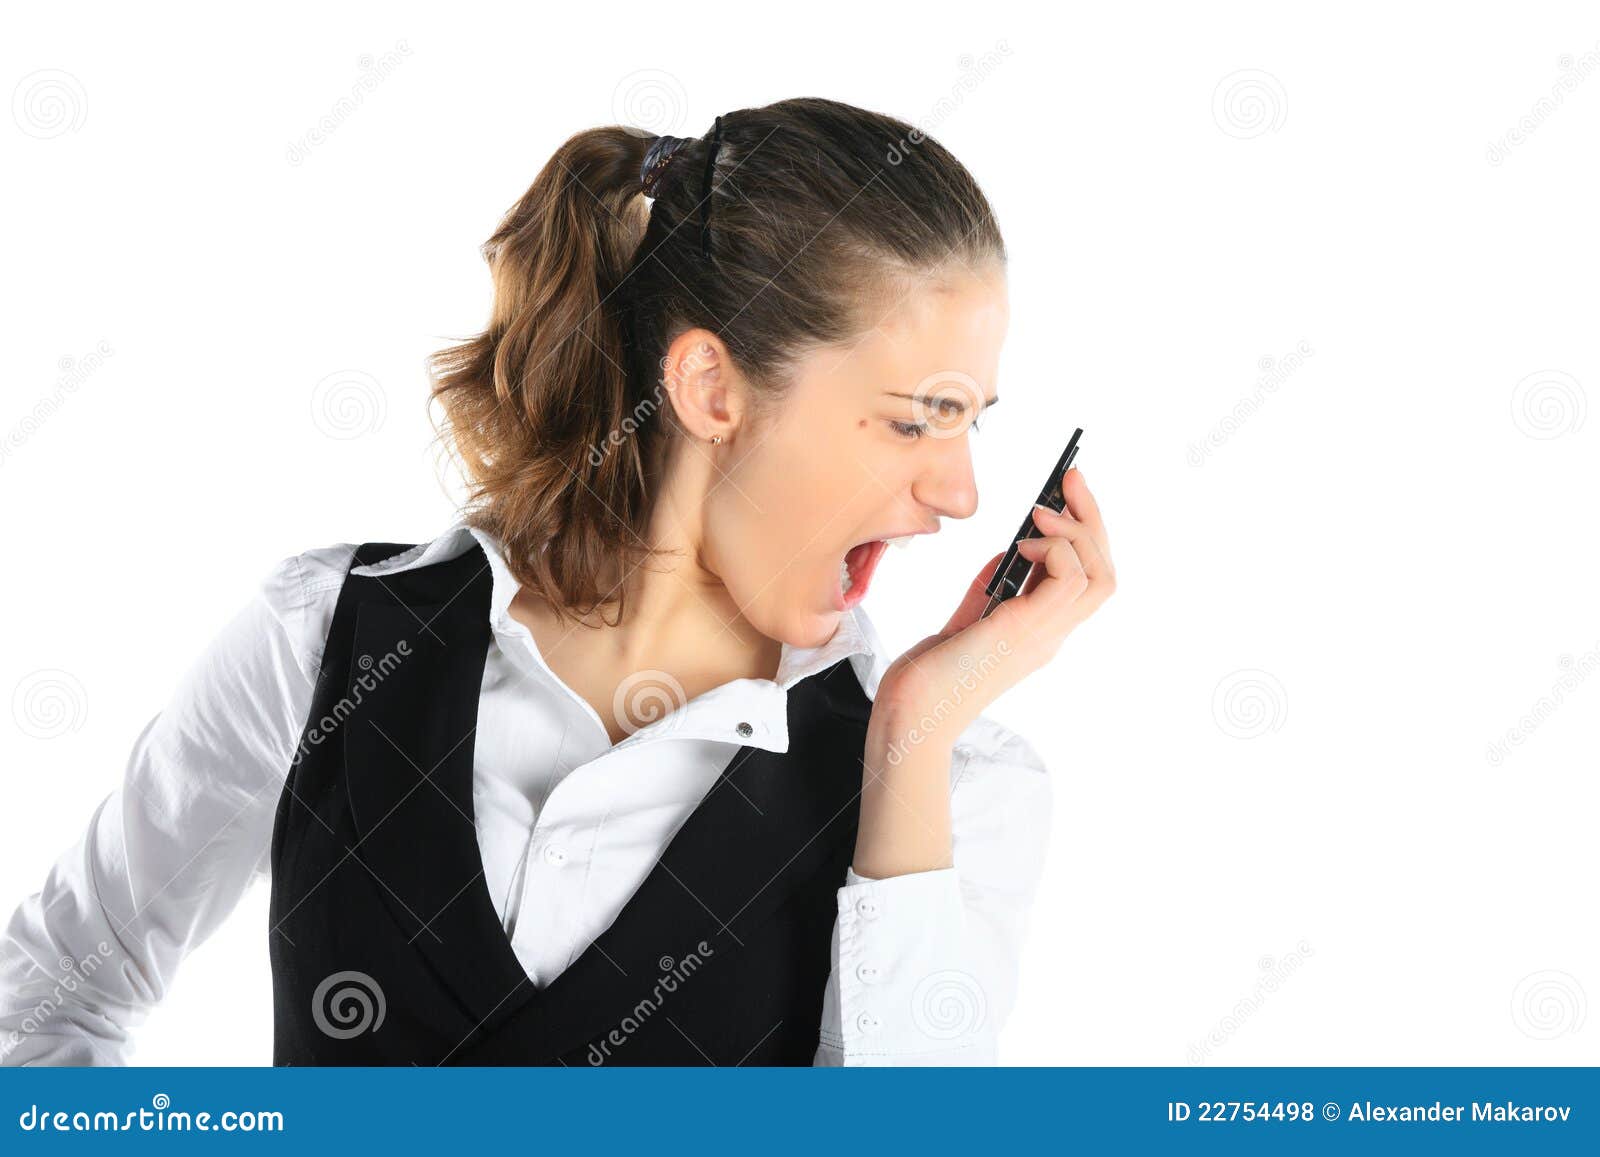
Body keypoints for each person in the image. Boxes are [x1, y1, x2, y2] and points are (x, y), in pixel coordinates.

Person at [0, 96, 1114, 1066]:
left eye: (974, 424)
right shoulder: (326, 639)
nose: (965, 494)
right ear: (712, 390)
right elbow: (52, 992)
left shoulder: (958, 789)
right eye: (919, 418)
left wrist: (910, 736)